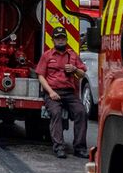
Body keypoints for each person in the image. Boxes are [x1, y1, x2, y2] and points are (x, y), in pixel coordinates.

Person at [35, 25, 87, 159]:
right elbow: (40, 76)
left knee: (81, 112)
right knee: (56, 113)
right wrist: (51, 92)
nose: (60, 40)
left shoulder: (73, 55)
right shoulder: (47, 55)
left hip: (69, 93)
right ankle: (59, 147)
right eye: (58, 38)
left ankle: (80, 148)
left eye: (63, 38)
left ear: (66, 39)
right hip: (53, 92)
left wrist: (75, 69)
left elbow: (82, 74)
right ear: (53, 40)